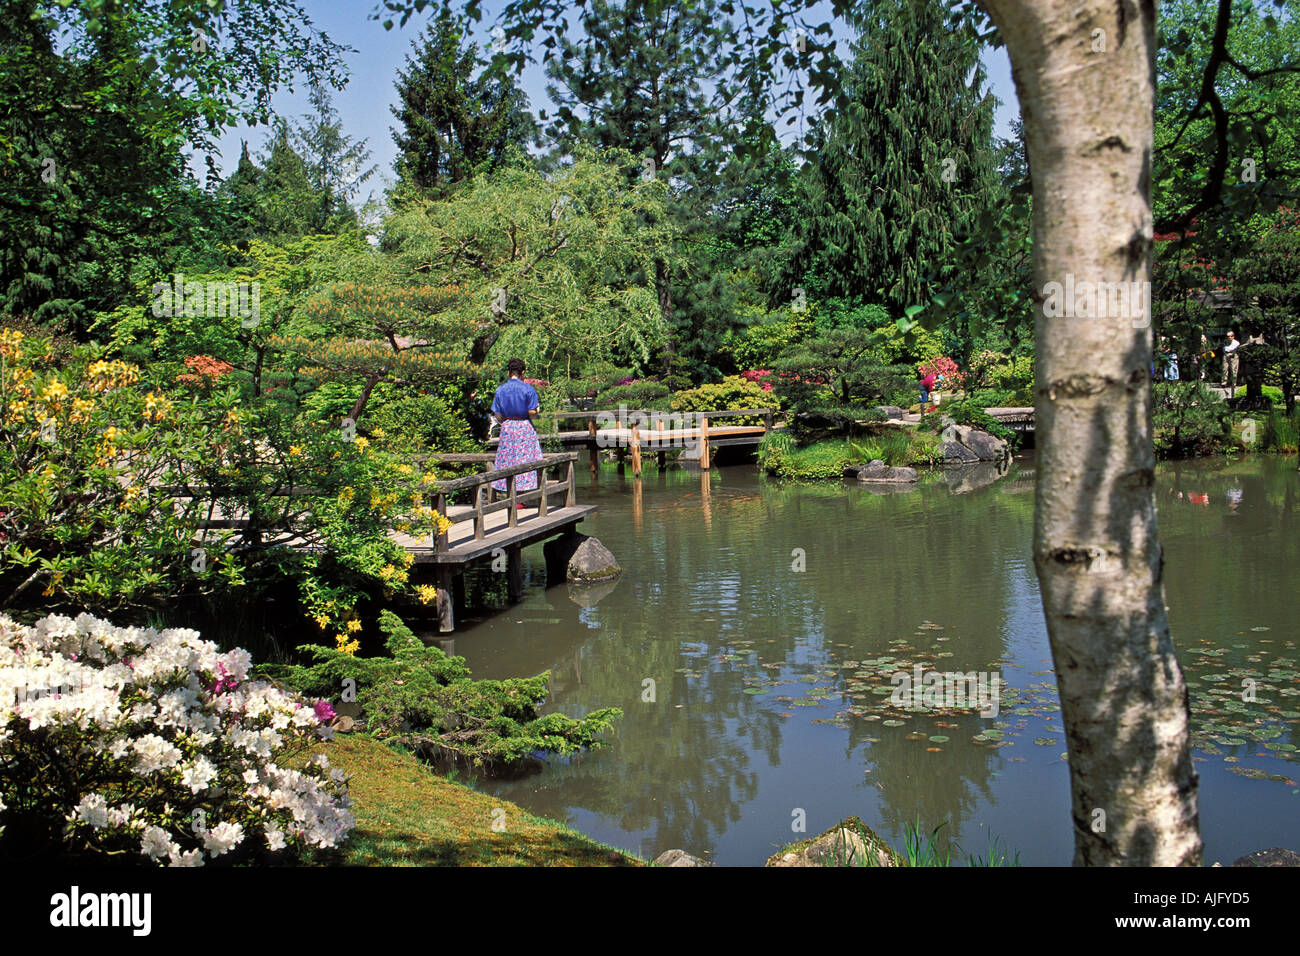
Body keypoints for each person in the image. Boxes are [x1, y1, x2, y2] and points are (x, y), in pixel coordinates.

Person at [490, 358, 543, 501]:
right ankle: (522, 498)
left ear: (509, 372)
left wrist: (505, 420)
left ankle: (510, 496)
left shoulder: (500, 390)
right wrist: (536, 411)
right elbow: (532, 412)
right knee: (526, 460)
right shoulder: (528, 389)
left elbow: (497, 414)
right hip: (524, 426)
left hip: (507, 427)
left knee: (508, 460)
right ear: (523, 372)